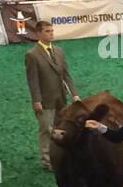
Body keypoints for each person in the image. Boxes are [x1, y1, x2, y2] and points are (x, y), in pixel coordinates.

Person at [23, 20, 81, 171]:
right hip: (45, 100)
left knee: (59, 128)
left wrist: (74, 94)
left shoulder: (59, 51)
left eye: (52, 31)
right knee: (46, 130)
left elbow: (66, 75)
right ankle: (47, 161)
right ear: (38, 34)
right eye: (47, 31)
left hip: (61, 98)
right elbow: (33, 80)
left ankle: (60, 156)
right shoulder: (32, 55)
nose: (51, 34)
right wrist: (36, 100)